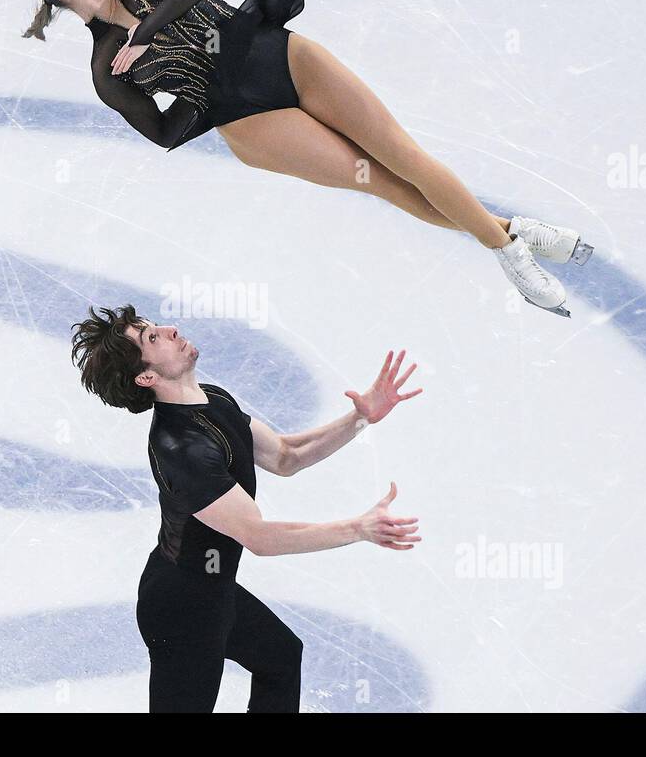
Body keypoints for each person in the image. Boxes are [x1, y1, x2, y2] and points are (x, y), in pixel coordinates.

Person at [23, 0, 595, 317]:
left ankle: (505, 232)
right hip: (250, 120)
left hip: (282, 56)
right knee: (385, 183)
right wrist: (203, 89)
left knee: (402, 155)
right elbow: (167, 133)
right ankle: (511, 251)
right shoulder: (105, 69)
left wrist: (147, 34)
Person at [70, 303, 422, 713]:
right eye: (152, 338)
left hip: (210, 590)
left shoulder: (213, 399)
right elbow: (260, 537)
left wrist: (361, 419)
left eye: (154, 326)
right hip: (182, 609)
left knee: (281, 658)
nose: (168, 328)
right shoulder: (182, 448)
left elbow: (287, 456)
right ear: (145, 376)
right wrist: (358, 529)